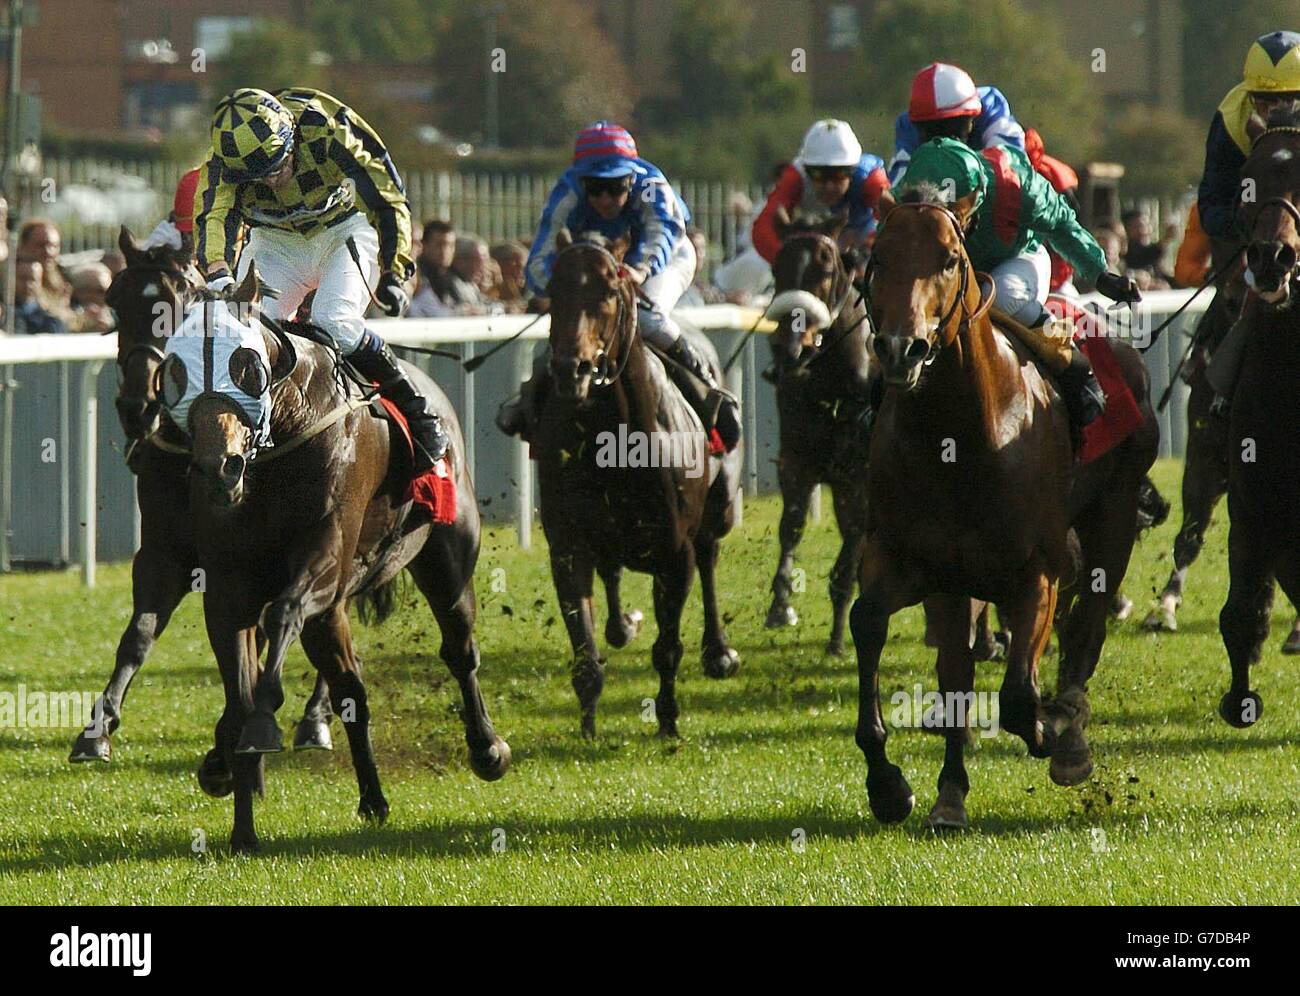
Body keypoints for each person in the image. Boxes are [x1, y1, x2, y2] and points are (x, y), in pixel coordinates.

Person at [194, 86, 446, 472]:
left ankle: (416, 407)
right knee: (241, 331)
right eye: (259, 177)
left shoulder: (326, 127)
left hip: (342, 230)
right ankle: (245, 435)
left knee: (335, 322)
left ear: (292, 136)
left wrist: (395, 269)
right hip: (274, 241)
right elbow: (214, 217)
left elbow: (386, 196)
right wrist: (218, 274)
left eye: (277, 167)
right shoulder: (224, 162)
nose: (272, 181)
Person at [497, 120, 740, 449]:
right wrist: (561, 289)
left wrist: (640, 269)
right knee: (573, 327)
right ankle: (530, 401)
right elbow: (538, 263)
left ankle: (708, 392)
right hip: (600, 263)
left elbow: (661, 236)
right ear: (582, 181)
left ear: (633, 176)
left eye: (617, 187)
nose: (606, 198)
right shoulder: (566, 192)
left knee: (647, 316)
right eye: (595, 188)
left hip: (666, 256)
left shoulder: (652, 186)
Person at [897, 137, 1142, 432]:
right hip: (952, 269)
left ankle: (1073, 362)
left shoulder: (1012, 181)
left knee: (999, 295)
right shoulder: (910, 201)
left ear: (977, 195)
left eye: (961, 212)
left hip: (1019, 258)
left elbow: (1061, 223)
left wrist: (1100, 272)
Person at [1196, 30, 1300, 417]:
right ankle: (1221, 400)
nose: (1274, 109)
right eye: (1265, 100)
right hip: (1257, 239)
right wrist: (1254, 233)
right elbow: (1212, 204)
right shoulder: (1231, 119)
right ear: (1249, 93)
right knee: (1240, 296)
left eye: (1288, 99)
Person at [751, 119, 889, 264]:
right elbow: (763, 228)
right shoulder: (795, 177)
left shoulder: (871, 179)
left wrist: (870, 249)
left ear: (852, 169)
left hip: (862, 246)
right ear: (806, 169)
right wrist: (786, 260)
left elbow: (894, 224)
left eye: (839, 174)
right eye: (818, 174)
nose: (828, 186)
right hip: (808, 251)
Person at [885, 62, 1025, 184]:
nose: (944, 142)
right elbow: (899, 186)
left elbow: (1009, 166)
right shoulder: (908, 127)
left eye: (950, 127)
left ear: (972, 118)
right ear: (918, 125)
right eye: (932, 129)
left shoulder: (990, 108)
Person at [408, 219, 459, 317]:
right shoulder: (418, 276)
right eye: (440, 245)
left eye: (450, 245)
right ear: (425, 245)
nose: (445, 251)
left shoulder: (452, 278)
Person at [12, 260, 67, 334]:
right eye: (22, 278)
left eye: (33, 280)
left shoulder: (50, 319)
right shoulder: (5, 312)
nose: (28, 284)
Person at [489, 241, 529, 311]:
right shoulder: (483, 292)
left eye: (523, 267)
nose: (520, 271)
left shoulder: (529, 293)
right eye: (515, 266)